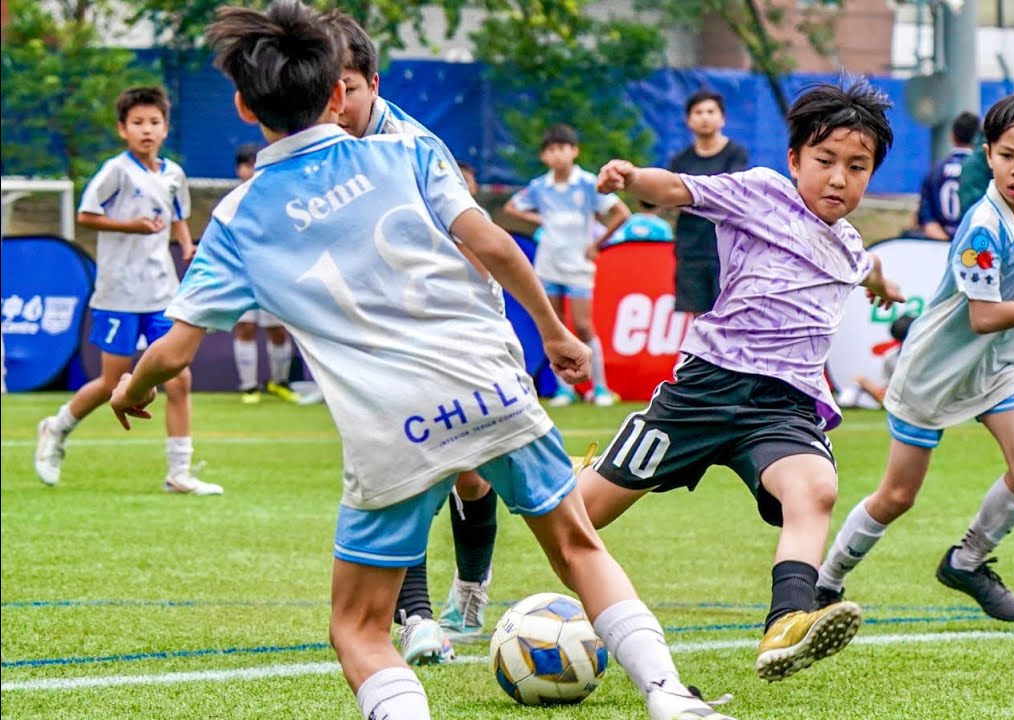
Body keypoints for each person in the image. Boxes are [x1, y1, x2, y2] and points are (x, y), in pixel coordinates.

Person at [110, 5, 736, 720]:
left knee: (357, 628)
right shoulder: (406, 150)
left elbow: (177, 347)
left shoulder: (239, 217)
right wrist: (555, 331)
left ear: (244, 106)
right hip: (491, 386)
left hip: (392, 427)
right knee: (577, 547)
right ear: (335, 93)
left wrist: (136, 386)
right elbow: (498, 247)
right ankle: (669, 695)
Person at [582, 80, 904, 683]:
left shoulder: (853, 247)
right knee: (579, 515)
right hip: (706, 391)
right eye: (825, 161)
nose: (839, 178)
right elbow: (678, 189)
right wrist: (630, 179)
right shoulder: (760, 192)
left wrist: (885, 287)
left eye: (856, 167)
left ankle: (787, 622)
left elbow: (869, 270)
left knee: (815, 490)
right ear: (795, 160)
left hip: (782, 406)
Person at [816, 92, 1014, 625]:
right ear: (987, 154)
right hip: (937, 372)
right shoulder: (982, 227)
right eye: (1008, 154)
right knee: (898, 496)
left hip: (997, 369)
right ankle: (825, 581)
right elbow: (984, 316)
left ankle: (966, 562)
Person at [326, 9, 500, 665]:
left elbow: (474, 241)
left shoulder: (412, 149)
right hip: (382, 334)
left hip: (454, 320)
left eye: (347, 86)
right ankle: (418, 619)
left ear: (373, 81)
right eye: (325, 88)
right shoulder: (320, 143)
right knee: (408, 465)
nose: (335, 103)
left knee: (470, 476)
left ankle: (471, 593)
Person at [32, 86, 221, 496]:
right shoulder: (115, 171)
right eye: (137, 123)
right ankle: (57, 426)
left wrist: (187, 246)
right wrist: (129, 226)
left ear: (166, 128)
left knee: (180, 379)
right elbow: (86, 214)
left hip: (160, 293)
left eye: (154, 122)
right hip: (118, 293)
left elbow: (177, 216)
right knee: (110, 384)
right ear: (122, 129)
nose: (146, 130)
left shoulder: (172, 174)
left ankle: (179, 473)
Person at [503, 124, 630, 407]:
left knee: (584, 326)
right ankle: (564, 390)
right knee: (555, 325)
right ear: (544, 156)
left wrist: (598, 244)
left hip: (578, 265)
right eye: (551, 150)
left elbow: (622, 213)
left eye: (563, 148)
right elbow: (511, 208)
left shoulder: (587, 183)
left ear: (574, 151)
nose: (557, 155)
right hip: (548, 263)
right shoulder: (539, 187)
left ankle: (599, 389)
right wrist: (541, 221)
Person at [229, 141, 301, 404]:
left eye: (255, 164)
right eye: (246, 165)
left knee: (278, 330)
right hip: (243, 277)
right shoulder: (231, 203)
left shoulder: (279, 199)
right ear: (239, 170)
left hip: (274, 277)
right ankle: (249, 387)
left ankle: (279, 382)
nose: (251, 170)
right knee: (245, 327)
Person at [667, 89, 750, 315]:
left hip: (726, 250)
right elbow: (664, 198)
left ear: (722, 118)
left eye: (711, 111)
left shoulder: (736, 154)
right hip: (690, 249)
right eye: (698, 112)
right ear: (688, 120)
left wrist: (690, 196)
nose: (705, 117)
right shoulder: (680, 160)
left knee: (727, 316)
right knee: (699, 320)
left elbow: (729, 195)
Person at [918, 111, 980, 241]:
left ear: (951, 136)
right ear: (979, 138)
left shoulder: (934, 171)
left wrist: (944, 240)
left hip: (940, 244)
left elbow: (927, 219)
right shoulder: (984, 172)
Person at [603, 200, 674, 248]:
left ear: (639, 203)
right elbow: (668, 247)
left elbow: (616, 242)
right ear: (659, 205)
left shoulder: (629, 221)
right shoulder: (663, 226)